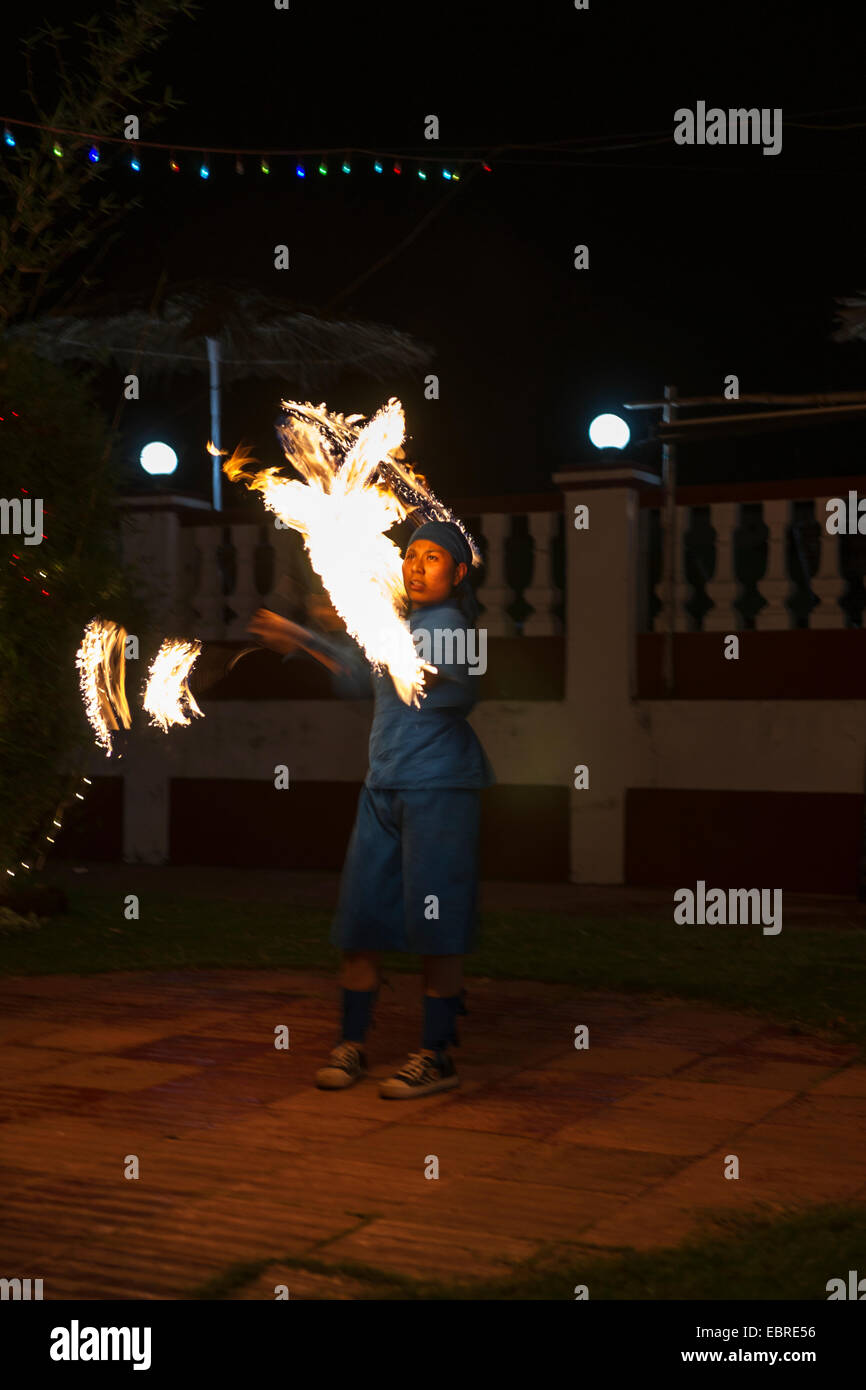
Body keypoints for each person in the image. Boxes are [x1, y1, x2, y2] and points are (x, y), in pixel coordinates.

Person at [248, 519, 495, 1099]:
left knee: (438, 924)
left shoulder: (454, 624)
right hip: (382, 787)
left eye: (434, 558)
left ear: (458, 574)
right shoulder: (397, 625)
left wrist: (395, 650)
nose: (416, 566)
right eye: (411, 555)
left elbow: (462, 688)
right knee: (360, 917)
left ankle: (436, 1055)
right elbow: (359, 678)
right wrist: (305, 640)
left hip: (439, 788)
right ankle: (352, 1043)